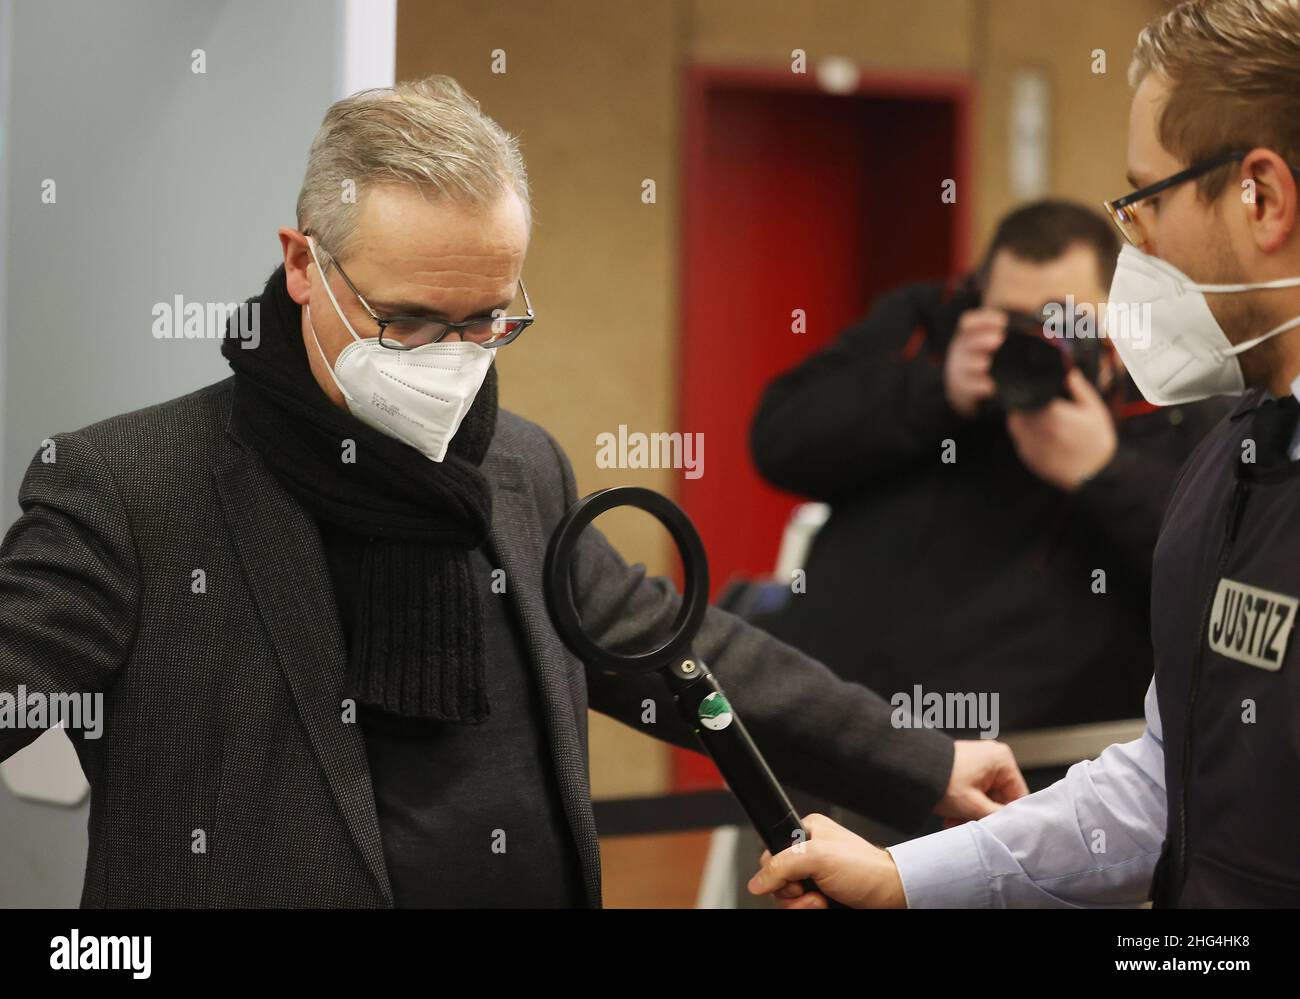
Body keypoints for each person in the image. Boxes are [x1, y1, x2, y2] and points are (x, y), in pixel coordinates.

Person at [0, 75, 1024, 908]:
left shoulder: (518, 466)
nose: (451, 359)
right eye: (406, 321)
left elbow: (669, 648)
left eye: (486, 319)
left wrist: (919, 761)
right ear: (303, 265)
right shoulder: (131, 488)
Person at [749, 0, 1300, 908]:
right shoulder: (1228, 469)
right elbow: (1162, 789)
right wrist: (903, 878)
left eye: (1146, 200)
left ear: (1262, 198)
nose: (1141, 244)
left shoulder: (1177, 456)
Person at [751, 200, 1226, 760]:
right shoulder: (930, 328)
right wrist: (938, 394)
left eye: (1061, 322)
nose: (1034, 341)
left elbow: (1214, 578)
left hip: (1029, 765)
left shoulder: (1177, 406)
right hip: (830, 731)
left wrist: (1101, 471)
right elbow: (778, 440)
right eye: (1012, 319)